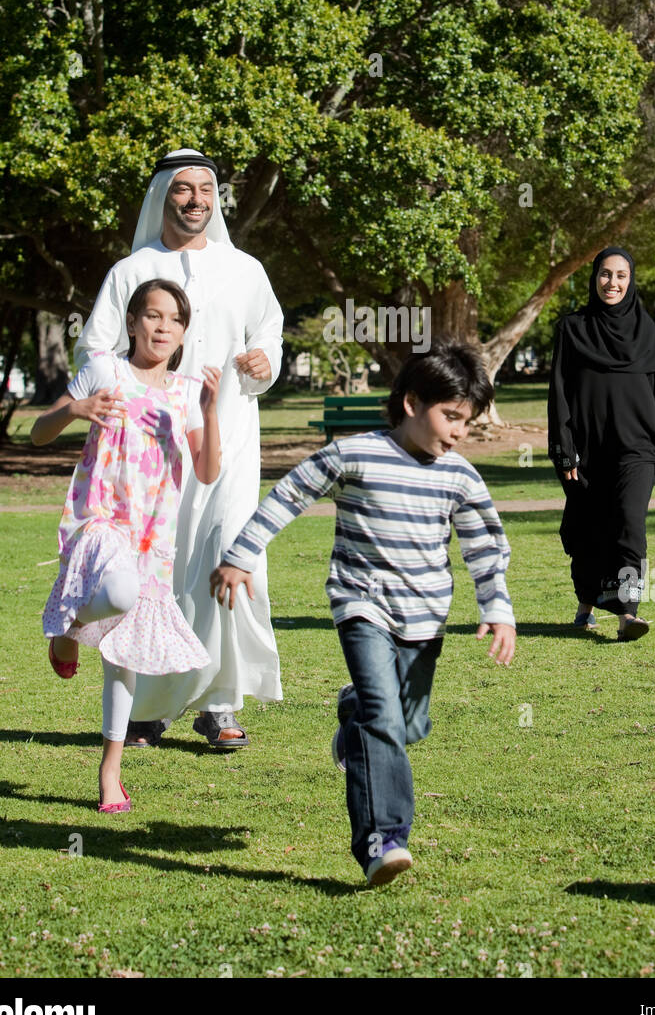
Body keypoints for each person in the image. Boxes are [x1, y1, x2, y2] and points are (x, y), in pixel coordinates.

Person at [210, 343, 517, 888]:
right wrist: (240, 555)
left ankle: (351, 716)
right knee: (385, 717)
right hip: (362, 604)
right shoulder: (355, 454)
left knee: (407, 726)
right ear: (411, 403)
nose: (458, 432)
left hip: (424, 618)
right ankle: (383, 839)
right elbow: (288, 496)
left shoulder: (461, 477)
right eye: (450, 417)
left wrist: (498, 609)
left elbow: (484, 549)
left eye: (466, 422)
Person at [75, 148, 284, 749]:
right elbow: (95, 348)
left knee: (226, 558)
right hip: (149, 452)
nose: (196, 200)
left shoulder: (245, 268)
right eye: (184, 189)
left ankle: (220, 703)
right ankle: (146, 705)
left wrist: (262, 361)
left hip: (229, 439)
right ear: (163, 196)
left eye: (206, 190)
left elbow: (267, 332)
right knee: (154, 570)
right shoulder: (130, 270)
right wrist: (122, 389)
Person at [34, 280, 221, 811]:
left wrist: (210, 410)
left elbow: (207, 472)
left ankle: (110, 772)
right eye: (153, 316)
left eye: (174, 320)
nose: (163, 328)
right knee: (119, 596)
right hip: (99, 520)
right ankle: (69, 625)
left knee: (123, 656)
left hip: (153, 538)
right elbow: (37, 435)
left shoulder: (186, 393)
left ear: (184, 331)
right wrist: (76, 409)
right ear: (134, 321)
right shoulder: (105, 371)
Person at [547, 246, 655, 641]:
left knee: (630, 522)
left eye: (621, 275)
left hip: (637, 446)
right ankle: (586, 603)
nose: (613, 283)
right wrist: (564, 446)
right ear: (594, 278)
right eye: (606, 274)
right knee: (588, 526)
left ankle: (628, 612)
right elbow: (559, 393)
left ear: (631, 280)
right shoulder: (572, 328)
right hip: (587, 448)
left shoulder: (646, 330)